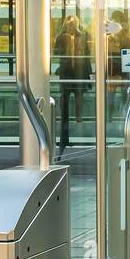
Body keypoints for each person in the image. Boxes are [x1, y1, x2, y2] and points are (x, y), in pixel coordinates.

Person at [53, 15, 88, 156]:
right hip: (66, 70)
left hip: (79, 70)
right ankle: (65, 117)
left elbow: (87, 52)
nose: (71, 26)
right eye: (69, 24)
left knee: (79, 94)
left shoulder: (83, 36)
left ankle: (79, 118)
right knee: (64, 95)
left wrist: (88, 71)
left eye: (73, 24)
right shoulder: (61, 37)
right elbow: (55, 52)